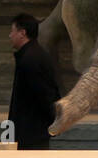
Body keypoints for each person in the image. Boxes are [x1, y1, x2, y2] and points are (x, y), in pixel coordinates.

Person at [7, 13, 60, 150]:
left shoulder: (31, 59)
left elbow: (44, 95)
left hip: (31, 131)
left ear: (22, 33)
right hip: (31, 128)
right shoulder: (33, 54)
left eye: (12, 31)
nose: (10, 35)